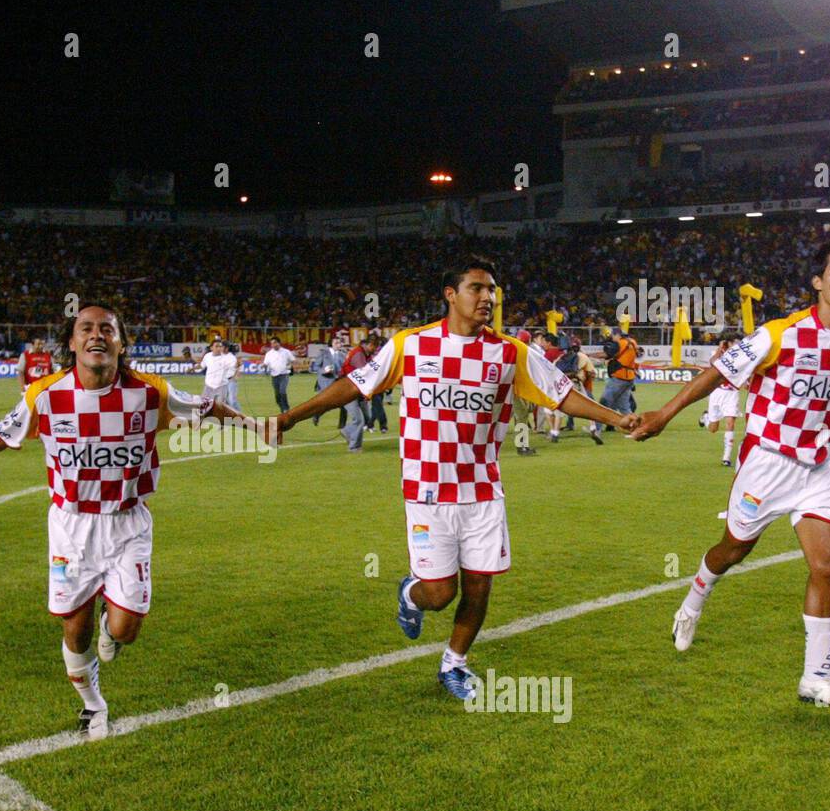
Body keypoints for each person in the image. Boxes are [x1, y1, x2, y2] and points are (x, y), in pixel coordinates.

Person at [273, 259, 637, 701]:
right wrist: (291, 417)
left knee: (480, 585)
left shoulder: (510, 353)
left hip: (483, 490)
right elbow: (355, 384)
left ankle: (455, 663)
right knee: (441, 593)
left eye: (492, 291)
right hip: (427, 490)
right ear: (451, 294)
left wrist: (616, 420)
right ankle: (412, 594)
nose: (488, 298)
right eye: (477, 289)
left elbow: (562, 395)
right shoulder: (412, 345)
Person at [0, 305, 266, 739]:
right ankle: (92, 705)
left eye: (107, 330)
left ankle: (111, 622)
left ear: (121, 343)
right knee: (73, 629)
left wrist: (255, 425)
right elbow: (4, 432)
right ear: (72, 342)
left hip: (128, 523)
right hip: (71, 527)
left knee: (125, 631)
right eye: (86, 329)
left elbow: (207, 407)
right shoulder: (45, 393)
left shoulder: (149, 391)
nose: (97, 336)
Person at [632, 240, 830, 710]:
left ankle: (816, 678)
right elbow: (720, 372)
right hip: (767, 464)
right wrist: (666, 413)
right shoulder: (781, 334)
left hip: (818, 469)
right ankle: (693, 600)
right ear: (817, 282)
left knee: (827, 566)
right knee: (734, 549)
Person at [701, 338, 741, 466]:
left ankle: (726, 457)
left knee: (730, 423)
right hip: (717, 393)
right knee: (713, 428)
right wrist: (720, 348)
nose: (736, 346)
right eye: (733, 343)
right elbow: (713, 362)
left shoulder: (742, 357)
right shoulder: (717, 354)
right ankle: (706, 418)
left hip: (732, 393)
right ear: (727, 344)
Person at [339, 335, 375, 452]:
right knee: (359, 420)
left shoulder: (364, 354)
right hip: (347, 389)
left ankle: (347, 431)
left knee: (367, 416)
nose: (375, 348)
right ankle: (354, 447)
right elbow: (365, 372)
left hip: (357, 390)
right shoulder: (359, 354)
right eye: (374, 346)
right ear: (369, 345)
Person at [600, 326, 639, 427]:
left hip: (620, 377)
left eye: (613, 335)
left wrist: (588, 355)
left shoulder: (620, 343)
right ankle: (637, 426)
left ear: (618, 335)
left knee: (604, 402)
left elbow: (607, 354)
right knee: (624, 407)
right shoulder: (632, 343)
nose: (611, 338)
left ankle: (596, 428)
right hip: (629, 378)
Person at [312, 339, 346, 428]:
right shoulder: (323, 353)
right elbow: (315, 367)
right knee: (326, 404)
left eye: (340, 342)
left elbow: (345, 368)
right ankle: (317, 415)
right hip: (326, 382)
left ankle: (342, 425)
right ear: (331, 344)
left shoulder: (343, 355)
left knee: (345, 403)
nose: (339, 344)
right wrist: (323, 371)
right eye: (336, 343)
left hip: (339, 382)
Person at [198, 339, 237, 407]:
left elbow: (234, 366)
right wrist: (193, 368)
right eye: (217, 346)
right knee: (203, 406)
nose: (219, 348)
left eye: (220, 346)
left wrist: (235, 370)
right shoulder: (207, 356)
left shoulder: (227, 358)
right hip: (208, 386)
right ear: (211, 348)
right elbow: (201, 366)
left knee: (221, 407)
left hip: (221, 386)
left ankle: (233, 413)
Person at [262, 337, 296, 413]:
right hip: (274, 376)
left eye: (274, 343)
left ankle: (286, 408)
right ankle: (282, 408)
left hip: (284, 375)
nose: (273, 345)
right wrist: (263, 366)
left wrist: (290, 365)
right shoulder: (269, 353)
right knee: (277, 395)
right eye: (271, 343)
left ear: (278, 343)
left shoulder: (286, 352)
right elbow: (265, 363)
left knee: (282, 391)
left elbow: (293, 360)